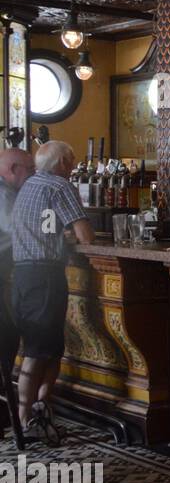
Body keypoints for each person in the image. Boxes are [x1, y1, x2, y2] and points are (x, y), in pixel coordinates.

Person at [10, 141, 93, 442]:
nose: (73, 166)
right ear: (60, 163)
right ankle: (24, 420)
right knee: (38, 351)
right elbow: (86, 236)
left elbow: (44, 227)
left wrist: (63, 232)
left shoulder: (29, 185)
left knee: (45, 348)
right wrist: (76, 233)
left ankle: (39, 413)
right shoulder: (60, 186)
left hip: (23, 275)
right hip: (45, 276)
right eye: (70, 160)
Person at [0, 148, 34, 442]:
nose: (31, 177)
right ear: (13, 169)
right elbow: (14, 228)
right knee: (7, 339)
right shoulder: (4, 193)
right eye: (28, 171)